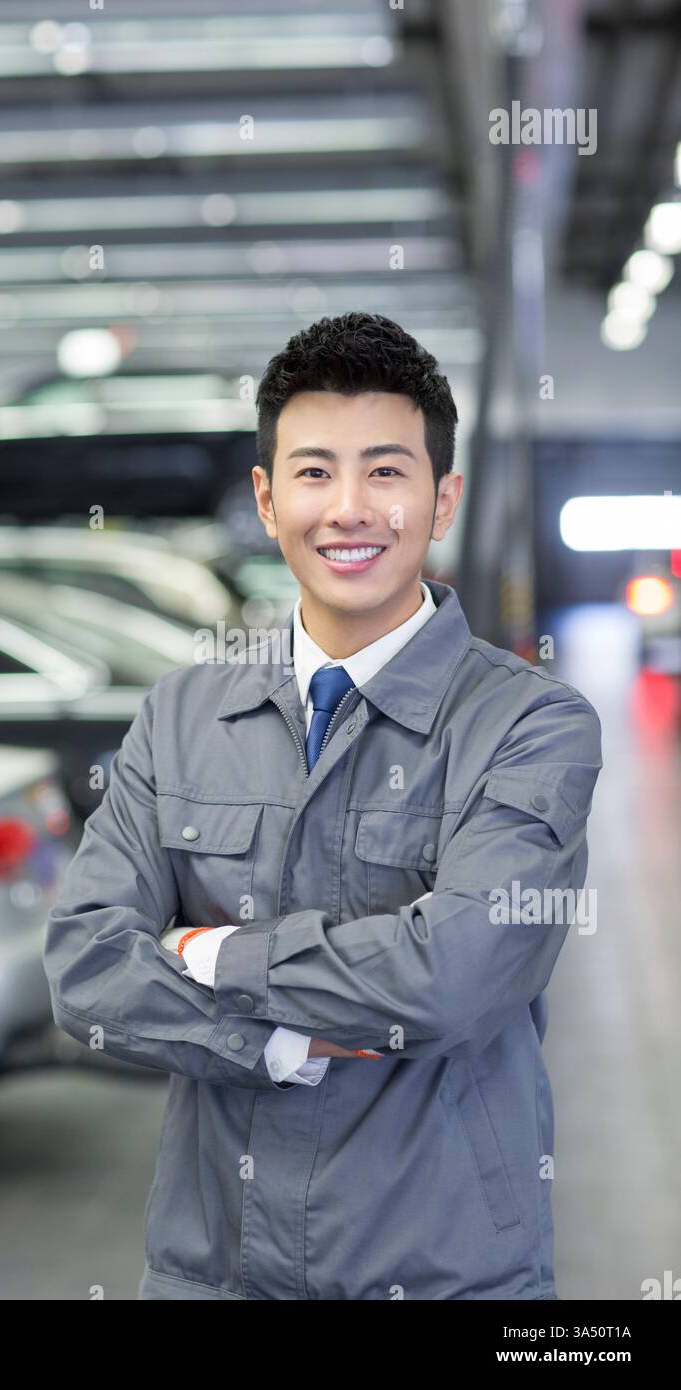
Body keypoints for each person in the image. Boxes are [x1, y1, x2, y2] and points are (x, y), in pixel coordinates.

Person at [43, 311, 603, 1300]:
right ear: (265, 500)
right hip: (208, 1274)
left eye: (385, 471)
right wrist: (274, 1039)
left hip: (444, 1274)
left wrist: (211, 953)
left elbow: (452, 975)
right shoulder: (181, 715)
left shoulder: (531, 726)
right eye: (311, 472)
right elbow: (86, 969)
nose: (347, 507)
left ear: (441, 499)